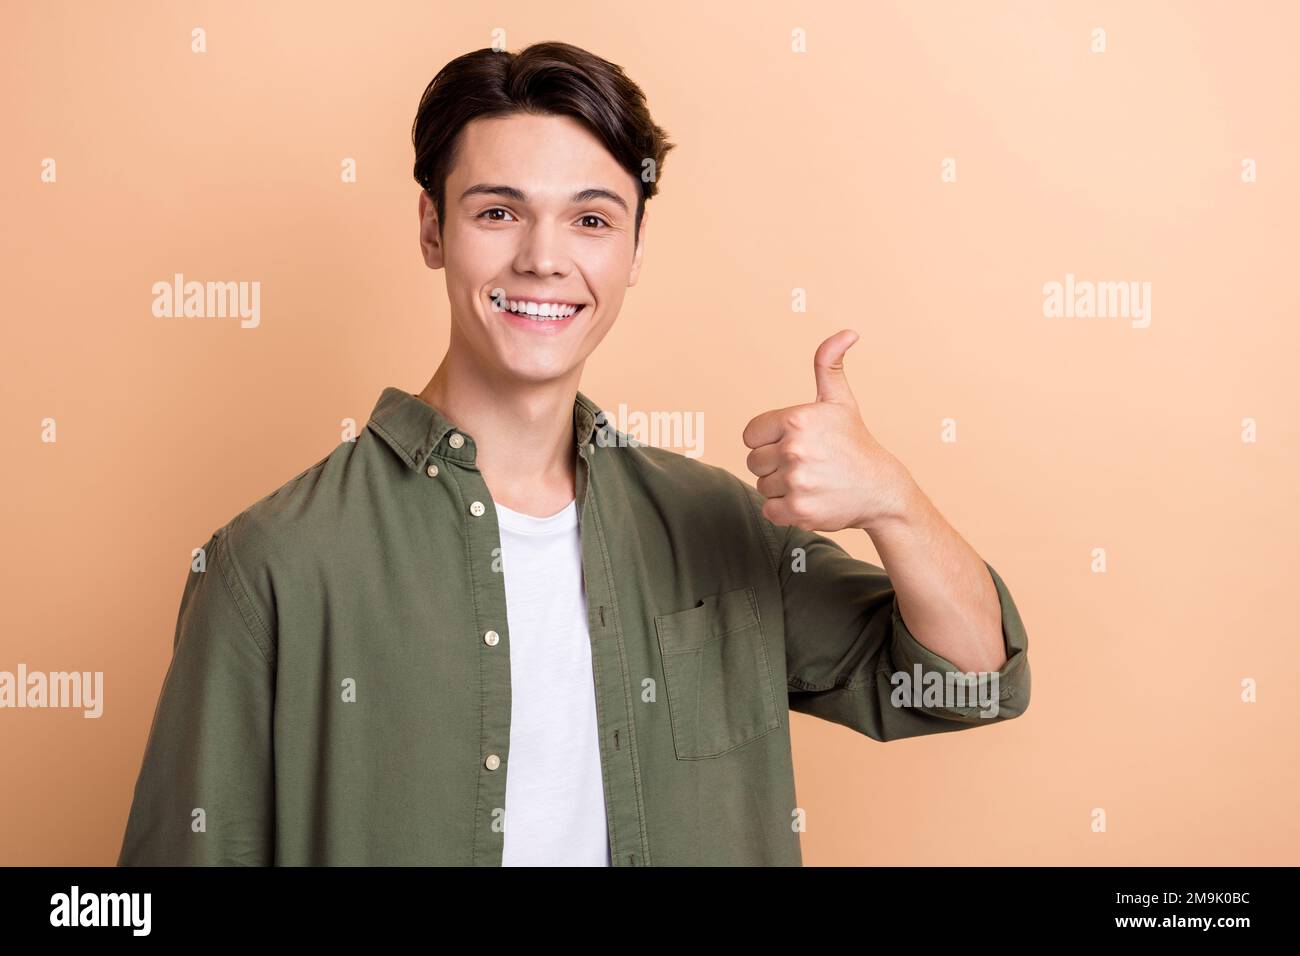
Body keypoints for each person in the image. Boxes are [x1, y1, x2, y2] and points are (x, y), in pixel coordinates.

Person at [117, 40, 1031, 867]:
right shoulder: (273, 564)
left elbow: (970, 685)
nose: (544, 260)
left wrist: (894, 503)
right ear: (433, 229)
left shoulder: (719, 525)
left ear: (634, 249)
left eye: (591, 219)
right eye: (498, 212)